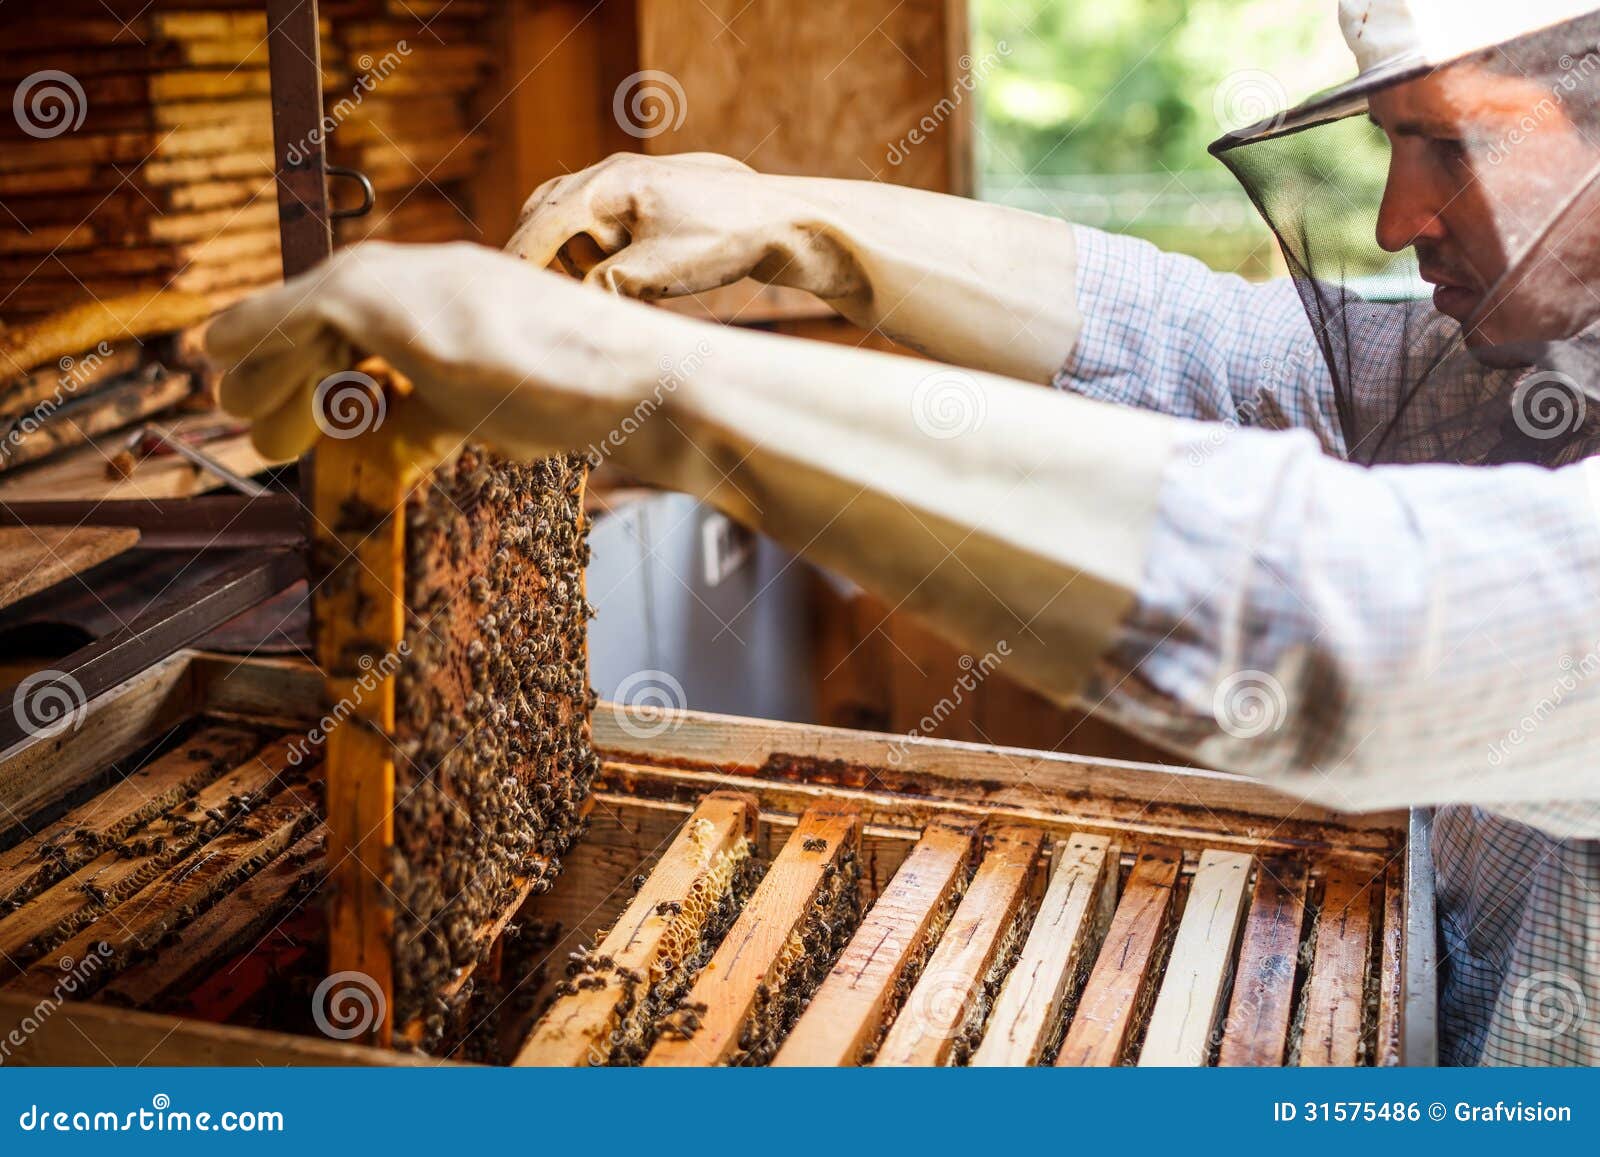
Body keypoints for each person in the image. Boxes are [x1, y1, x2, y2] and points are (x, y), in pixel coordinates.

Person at [211, 0, 1600, 1064]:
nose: (1395, 213)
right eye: (1394, 146)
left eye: (1454, 142)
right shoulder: (1532, 371)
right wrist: (793, 218)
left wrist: (643, 382)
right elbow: (1212, 341)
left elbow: (1356, 619)